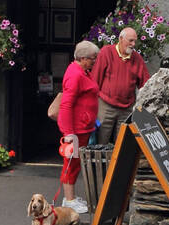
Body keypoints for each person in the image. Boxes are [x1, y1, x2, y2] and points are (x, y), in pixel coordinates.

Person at [56, 41, 100, 214]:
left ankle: (70, 198)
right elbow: (66, 105)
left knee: (74, 163)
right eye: (92, 58)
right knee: (71, 163)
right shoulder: (75, 74)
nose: (94, 61)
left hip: (83, 127)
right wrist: (68, 134)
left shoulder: (82, 71)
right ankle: (69, 200)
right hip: (76, 129)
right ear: (82, 58)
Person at [91, 27, 150, 148]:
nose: (133, 44)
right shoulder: (106, 52)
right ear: (121, 39)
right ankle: (102, 167)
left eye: (135, 41)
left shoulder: (137, 58)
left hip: (126, 107)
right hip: (105, 105)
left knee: (122, 145)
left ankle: (118, 167)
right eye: (130, 40)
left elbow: (146, 84)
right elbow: (95, 80)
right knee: (101, 143)